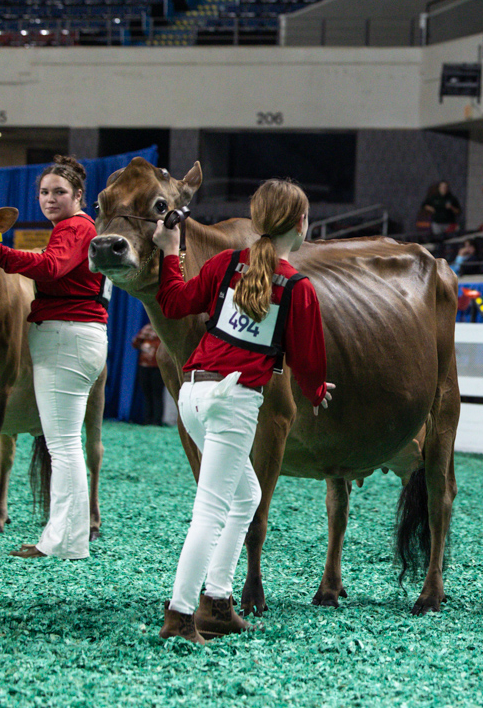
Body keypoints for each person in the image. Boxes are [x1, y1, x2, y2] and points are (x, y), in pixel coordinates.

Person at [151, 178, 335, 643]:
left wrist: (171, 252)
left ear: (256, 222)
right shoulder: (297, 286)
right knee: (210, 512)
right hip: (232, 403)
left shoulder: (226, 263)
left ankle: (216, 602)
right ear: (301, 223)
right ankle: (179, 615)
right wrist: (316, 392)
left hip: (192, 396)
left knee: (245, 498)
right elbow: (309, 360)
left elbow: (173, 302)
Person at [0, 155, 108, 560]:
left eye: (59, 192)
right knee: (66, 447)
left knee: (64, 448)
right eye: (44, 192)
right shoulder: (77, 228)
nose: (49, 198)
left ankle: (65, 543)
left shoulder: (75, 227)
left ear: (78, 195)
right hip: (75, 336)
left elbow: (50, 267)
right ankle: (66, 538)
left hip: (66, 337)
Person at [132, 323, 164, 426]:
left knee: (157, 394)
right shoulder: (146, 328)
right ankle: (147, 419)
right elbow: (135, 343)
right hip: (144, 365)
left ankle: (157, 420)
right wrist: (142, 342)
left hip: (158, 366)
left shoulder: (163, 328)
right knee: (147, 393)